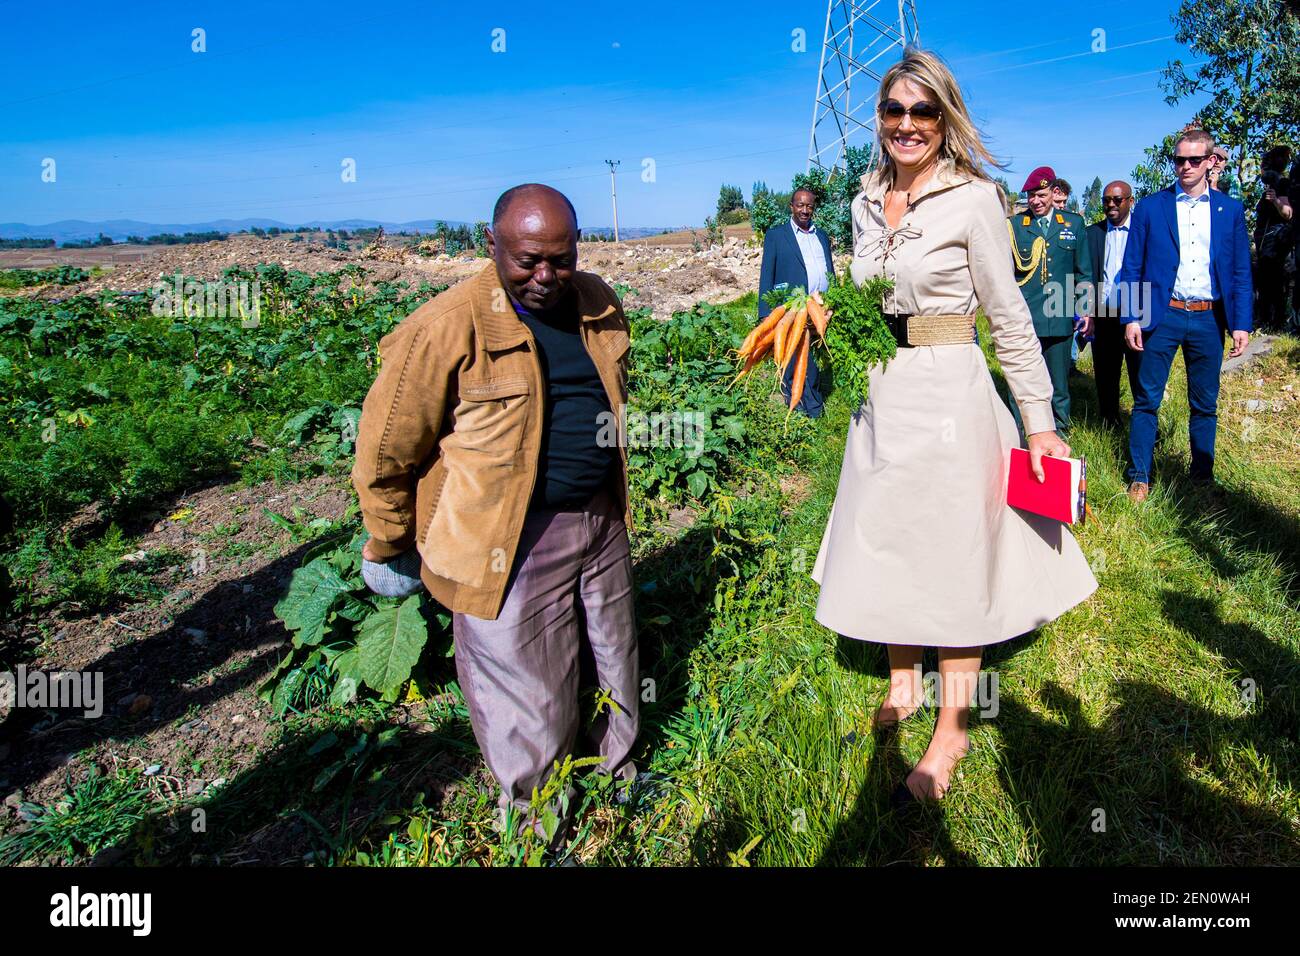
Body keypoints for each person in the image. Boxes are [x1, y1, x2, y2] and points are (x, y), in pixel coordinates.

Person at [810, 49, 1097, 804]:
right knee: (891, 529)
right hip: (883, 391)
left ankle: (955, 725)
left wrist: (1039, 423)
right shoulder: (864, 199)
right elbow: (865, 299)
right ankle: (904, 679)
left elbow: (1008, 317)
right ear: (879, 118)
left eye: (922, 111)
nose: (906, 125)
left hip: (950, 387)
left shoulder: (975, 199)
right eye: (894, 111)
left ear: (945, 119)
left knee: (949, 543)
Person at [352, 183, 641, 836]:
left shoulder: (597, 302)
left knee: (614, 661)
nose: (547, 276)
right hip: (504, 541)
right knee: (529, 700)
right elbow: (385, 449)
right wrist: (390, 542)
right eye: (528, 260)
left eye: (561, 258)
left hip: (597, 522)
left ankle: (617, 778)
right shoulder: (446, 326)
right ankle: (542, 831)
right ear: (492, 246)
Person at [1118, 129, 1253, 501]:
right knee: (1146, 400)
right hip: (1163, 316)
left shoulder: (1230, 210)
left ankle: (1201, 478)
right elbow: (1132, 267)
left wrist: (1241, 323)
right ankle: (1140, 476)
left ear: (1211, 162)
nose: (1186, 167)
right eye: (1179, 160)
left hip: (1209, 319)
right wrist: (1132, 316)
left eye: (1194, 160)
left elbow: (1241, 271)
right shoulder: (1150, 207)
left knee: (1204, 404)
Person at [1007, 166, 1094, 435]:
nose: (1036, 201)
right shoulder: (1015, 227)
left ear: (1054, 192)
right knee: (1022, 381)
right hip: (1025, 317)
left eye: (1041, 194)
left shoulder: (1073, 224)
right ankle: (1021, 432)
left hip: (1060, 314)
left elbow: (1085, 273)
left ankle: (1060, 431)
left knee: (1058, 384)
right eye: (1031, 195)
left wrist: (1086, 310)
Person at [757, 188, 835, 416]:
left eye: (809, 206)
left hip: (820, 306)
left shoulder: (821, 235)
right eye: (800, 205)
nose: (805, 210)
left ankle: (810, 398)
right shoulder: (776, 236)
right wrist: (765, 313)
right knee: (795, 356)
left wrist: (834, 298)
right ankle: (802, 404)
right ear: (791, 206)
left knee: (811, 355)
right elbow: (766, 274)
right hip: (792, 307)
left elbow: (829, 270)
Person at [1086, 180, 1141, 427]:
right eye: (1106, 200)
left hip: (1139, 314)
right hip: (1105, 313)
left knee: (1140, 374)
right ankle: (1109, 421)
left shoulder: (1144, 231)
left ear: (1130, 201)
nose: (1111, 204)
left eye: (1117, 200)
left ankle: (1144, 425)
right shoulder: (1093, 234)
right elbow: (1085, 275)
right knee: (1106, 373)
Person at [1253, 146, 1294, 331]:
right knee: (1265, 279)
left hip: (1275, 239)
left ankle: (1275, 322)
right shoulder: (1273, 183)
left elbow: (1287, 213)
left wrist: (1276, 200)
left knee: (1274, 280)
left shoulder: (1282, 183)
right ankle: (1266, 319)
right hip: (1266, 238)